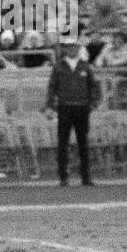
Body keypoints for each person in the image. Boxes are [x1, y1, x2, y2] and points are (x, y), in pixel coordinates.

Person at [45, 39, 99, 186]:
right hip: (64, 107)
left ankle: (86, 177)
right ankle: (63, 177)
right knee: (62, 143)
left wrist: (93, 102)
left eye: (73, 47)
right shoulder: (58, 67)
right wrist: (49, 106)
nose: (70, 49)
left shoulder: (86, 66)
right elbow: (52, 87)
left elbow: (93, 86)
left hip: (82, 108)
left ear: (77, 48)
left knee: (83, 143)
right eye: (67, 47)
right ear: (65, 49)